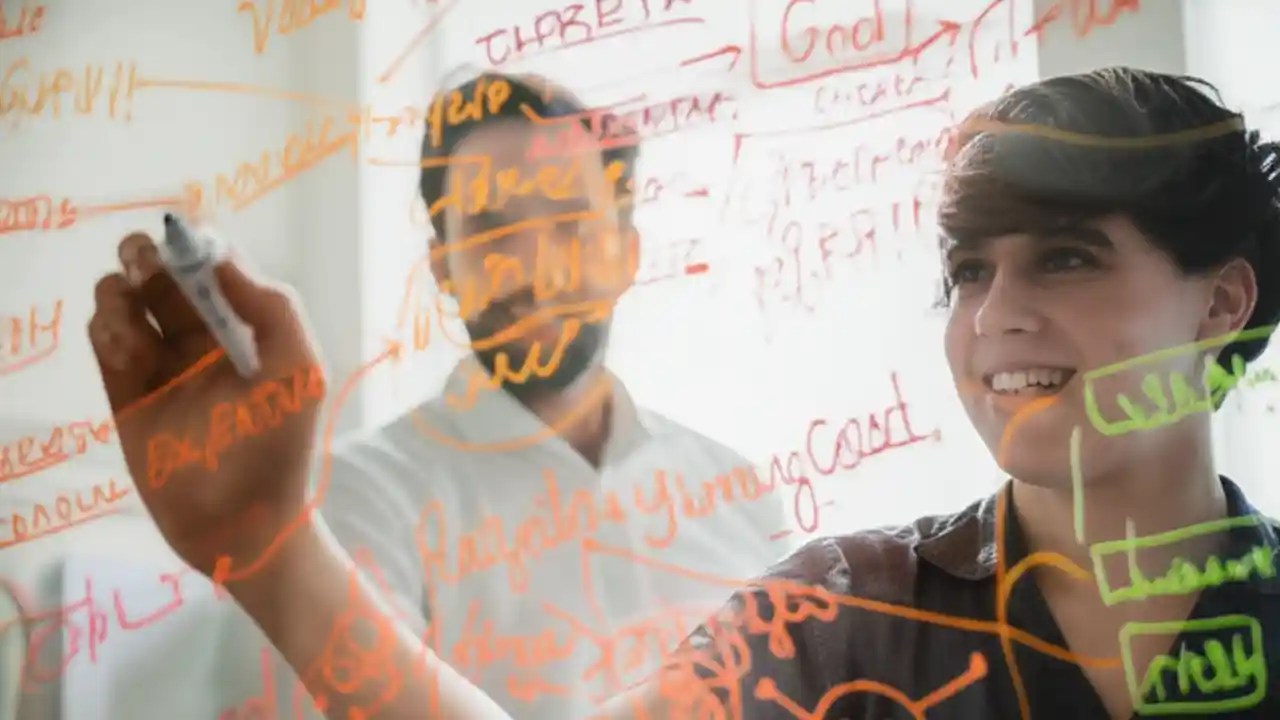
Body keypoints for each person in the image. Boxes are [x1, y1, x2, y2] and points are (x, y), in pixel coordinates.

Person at [86, 65, 1280, 719]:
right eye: (968, 271)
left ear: (1219, 302)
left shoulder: (725, 485)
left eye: (1064, 257)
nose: (993, 317)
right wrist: (272, 546)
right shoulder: (842, 610)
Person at [87, 70, 786, 720]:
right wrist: (279, 551)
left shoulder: (741, 495)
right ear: (444, 267)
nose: (533, 268)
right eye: (489, 228)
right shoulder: (345, 501)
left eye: (570, 223)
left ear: (626, 255)